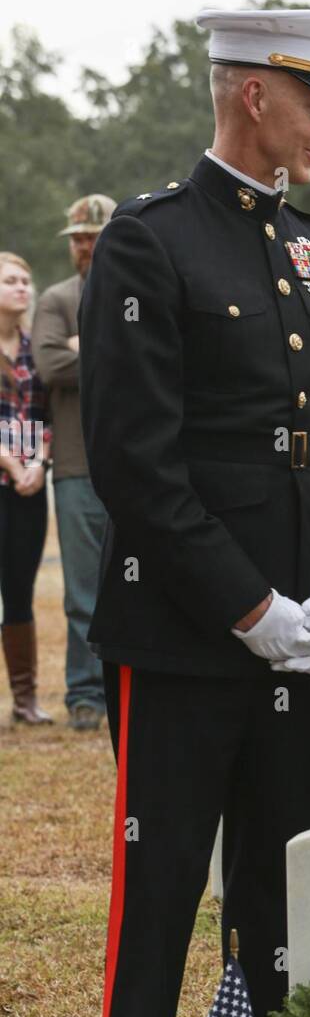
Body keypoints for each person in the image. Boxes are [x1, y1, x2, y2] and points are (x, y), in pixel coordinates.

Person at [79, 7, 310, 1017]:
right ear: (252, 93)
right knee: (162, 880)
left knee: (279, 880)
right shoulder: (151, 246)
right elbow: (137, 465)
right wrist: (252, 606)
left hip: (303, 636)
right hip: (188, 634)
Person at [32, 195, 116, 731]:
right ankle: (85, 694)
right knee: (83, 588)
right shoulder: (57, 299)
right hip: (76, 464)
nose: (82, 245)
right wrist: (113, 351)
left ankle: (124, 687)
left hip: (134, 465)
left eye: (91, 235)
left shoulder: (136, 288)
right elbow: (48, 363)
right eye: (76, 238)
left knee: (132, 586)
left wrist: (88, 347)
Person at [0, 252, 53, 725]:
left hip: (27, 489)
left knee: (19, 589)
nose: (21, 287)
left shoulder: (35, 349)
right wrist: (11, 466)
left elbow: (43, 416)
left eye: (25, 280)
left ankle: (25, 699)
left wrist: (36, 463)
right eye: (10, 280)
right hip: (6, 477)